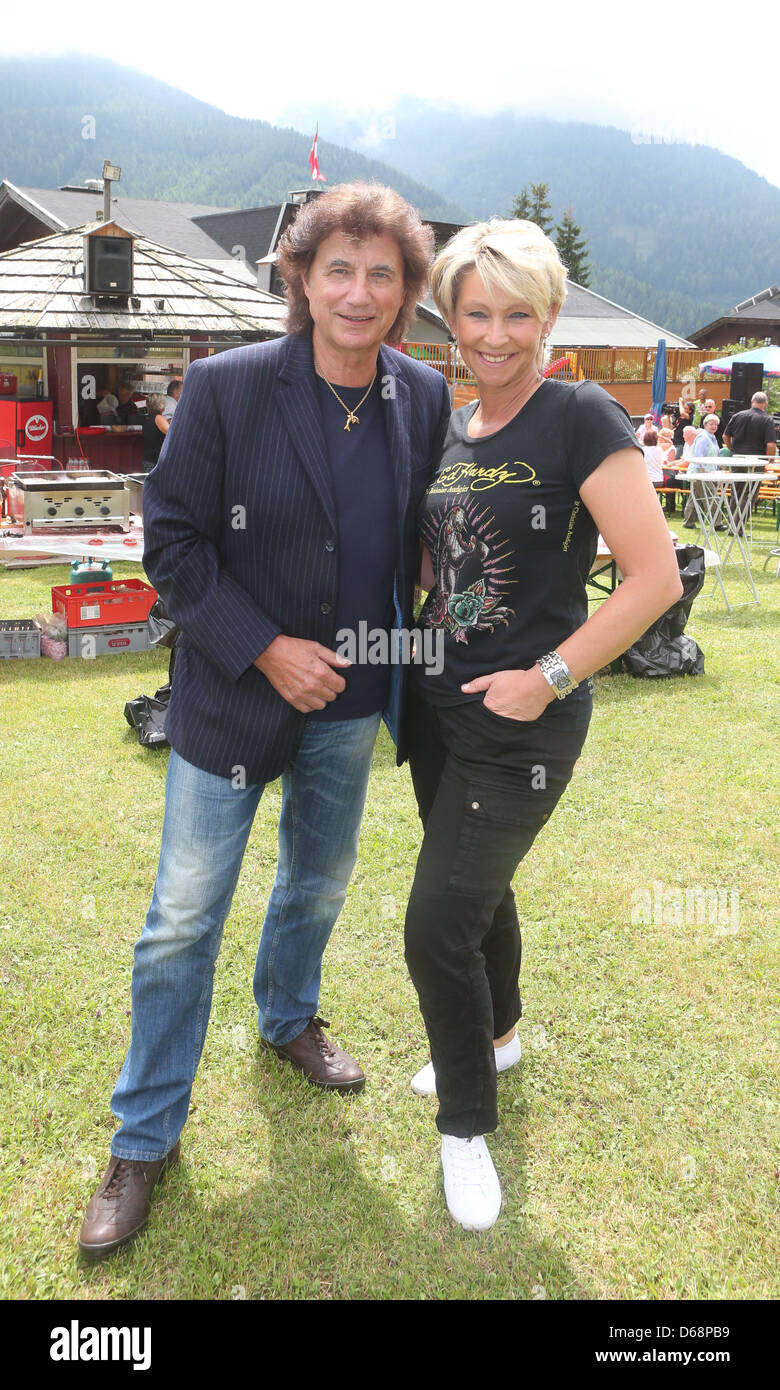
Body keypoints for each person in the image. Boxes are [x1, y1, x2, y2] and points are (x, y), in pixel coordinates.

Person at [78, 181, 451, 1261]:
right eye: (339, 268)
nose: (359, 290)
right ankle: (142, 1138)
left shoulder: (421, 397)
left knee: (319, 881)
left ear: (405, 292)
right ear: (299, 275)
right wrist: (266, 648)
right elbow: (175, 545)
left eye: (383, 273)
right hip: (233, 697)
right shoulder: (228, 387)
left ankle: (288, 1018)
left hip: (356, 699)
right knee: (184, 919)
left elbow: (422, 532)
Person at [402, 218, 682, 1232]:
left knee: (436, 926)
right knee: (482, 893)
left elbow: (651, 578)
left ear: (550, 316)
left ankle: (465, 1128)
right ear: (449, 316)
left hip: (524, 721)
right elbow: (439, 562)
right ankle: (503, 1033)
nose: (496, 332)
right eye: (476, 311)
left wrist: (549, 674)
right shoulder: (450, 424)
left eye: (519, 313)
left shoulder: (581, 415)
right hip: (439, 705)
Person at [683, 414, 720, 527]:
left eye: (715, 424)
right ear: (705, 425)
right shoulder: (703, 437)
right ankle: (717, 523)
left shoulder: (712, 438)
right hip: (700, 473)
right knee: (713, 498)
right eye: (711, 424)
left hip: (707, 472)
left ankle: (688, 522)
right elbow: (698, 456)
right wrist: (702, 471)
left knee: (695, 498)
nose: (714, 426)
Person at [140, 393, 169, 470]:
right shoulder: (159, 418)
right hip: (156, 461)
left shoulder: (147, 418)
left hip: (147, 460)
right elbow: (172, 434)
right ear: (161, 404)